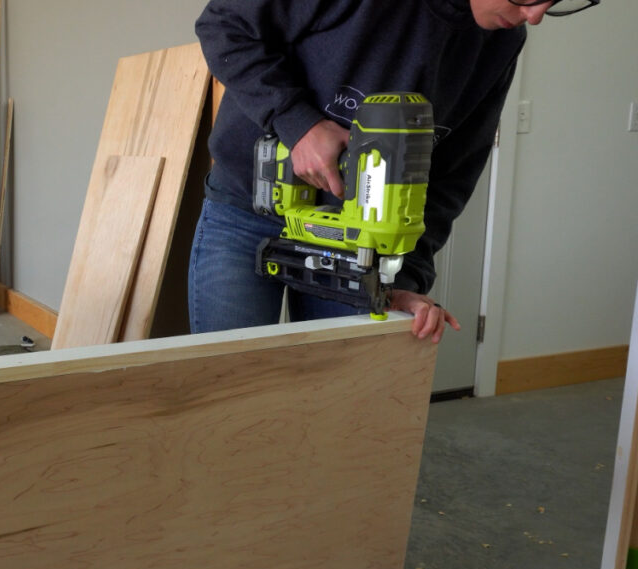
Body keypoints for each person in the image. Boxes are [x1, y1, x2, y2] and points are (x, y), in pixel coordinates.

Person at [191, 0, 599, 343]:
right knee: (224, 393)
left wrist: (405, 278)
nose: (536, 15)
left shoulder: (500, 42)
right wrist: (299, 125)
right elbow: (225, 26)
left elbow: (449, 176)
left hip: (358, 247)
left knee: (338, 408)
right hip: (246, 212)